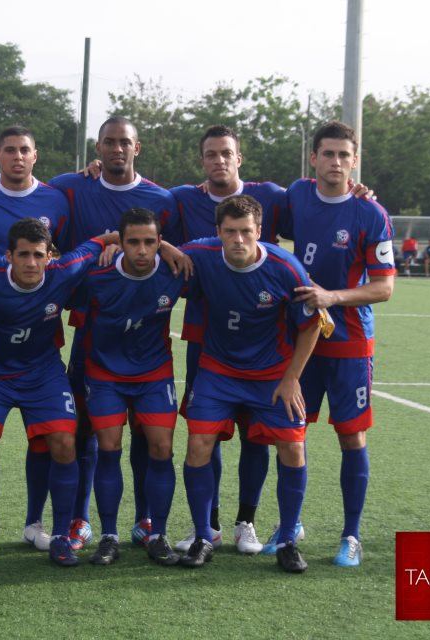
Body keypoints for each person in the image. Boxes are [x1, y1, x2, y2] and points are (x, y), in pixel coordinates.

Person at [0, 218, 119, 567]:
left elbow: (102, 238)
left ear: (49, 256)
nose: (30, 262)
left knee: (65, 442)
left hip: (43, 375)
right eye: (22, 255)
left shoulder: (63, 271)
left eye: (38, 255)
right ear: (8, 255)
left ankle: (58, 537)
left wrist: (126, 242)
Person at [50, 116, 180, 552]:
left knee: (150, 437)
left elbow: (172, 255)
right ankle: (82, 521)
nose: (117, 149)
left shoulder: (161, 198)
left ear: (136, 148)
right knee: (88, 431)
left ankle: (147, 520)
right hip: (93, 331)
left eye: (124, 143)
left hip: (146, 340)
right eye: (109, 143)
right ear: (98, 147)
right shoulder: (72, 186)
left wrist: (161, 245)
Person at [179, 195, 321, 571]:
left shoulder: (285, 268)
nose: (238, 239)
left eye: (246, 231)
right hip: (218, 369)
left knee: (293, 448)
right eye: (230, 231)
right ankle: (203, 536)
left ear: (259, 231)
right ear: (218, 233)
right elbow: (160, 251)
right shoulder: (202, 254)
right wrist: (156, 245)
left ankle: (288, 539)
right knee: (198, 445)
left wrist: (292, 379)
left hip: (271, 374)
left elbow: (311, 328)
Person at [278, 121, 396, 568]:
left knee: (351, 435)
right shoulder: (297, 194)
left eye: (344, 155)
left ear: (355, 160)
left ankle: (351, 535)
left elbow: (384, 288)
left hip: (350, 341)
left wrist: (332, 297)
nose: (336, 162)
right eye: (328, 154)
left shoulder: (371, 213)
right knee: (292, 434)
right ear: (313, 159)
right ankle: (289, 527)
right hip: (304, 338)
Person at [0, 126, 72, 554]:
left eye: (25, 150)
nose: (17, 157)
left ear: (35, 156)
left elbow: (81, 248)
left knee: (56, 438)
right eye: (9, 150)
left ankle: (42, 524)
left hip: (42, 349)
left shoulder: (58, 197)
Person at [169, 125, 287, 555]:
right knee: (206, 432)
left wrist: (359, 190)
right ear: (202, 161)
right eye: (211, 155)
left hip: (261, 341)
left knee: (257, 435)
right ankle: (209, 525)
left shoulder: (272, 195)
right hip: (206, 336)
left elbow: (316, 204)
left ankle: (246, 522)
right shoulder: (183, 197)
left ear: (240, 158)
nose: (219, 160)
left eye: (226, 153)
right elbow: (146, 228)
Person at [70, 208, 187, 567]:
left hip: (153, 374)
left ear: (159, 242)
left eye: (150, 242)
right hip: (105, 374)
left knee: (162, 447)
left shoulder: (175, 270)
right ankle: (108, 536)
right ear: (120, 242)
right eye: (133, 241)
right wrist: (101, 243)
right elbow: (62, 270)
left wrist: (170, 248)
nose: (141, 250)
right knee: (109, 447)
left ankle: (158, 534)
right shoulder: (96, 274)